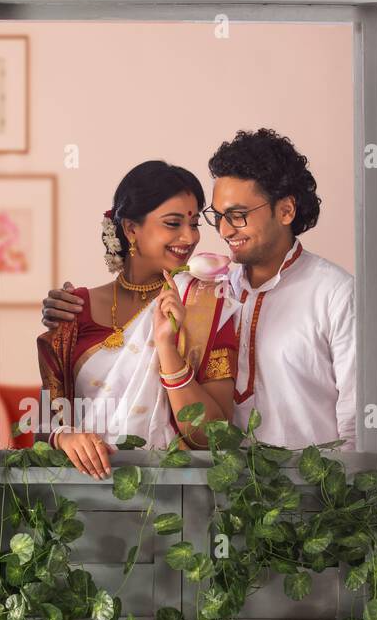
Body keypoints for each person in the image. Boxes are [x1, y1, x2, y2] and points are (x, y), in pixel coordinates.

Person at [43, 129, 356, 452]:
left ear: (286, 211)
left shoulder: (334, 295)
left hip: (310, 493)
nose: (222, 231)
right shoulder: (210, 291)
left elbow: (355, 421)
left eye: (237, 216)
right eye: (217, 217)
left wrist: (340, 497)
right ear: (130, 229)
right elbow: (50, 414)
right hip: (222, 494)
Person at [35, 160, 239, 479]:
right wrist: (63, 436)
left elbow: (215, 436)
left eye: (195, 223)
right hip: (82, 495)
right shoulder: (74, 309)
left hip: (178, 493)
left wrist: (167, 349)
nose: (190, 237)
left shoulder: (209, 306)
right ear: (131, 228)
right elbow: (43, 422)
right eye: (173, 223)